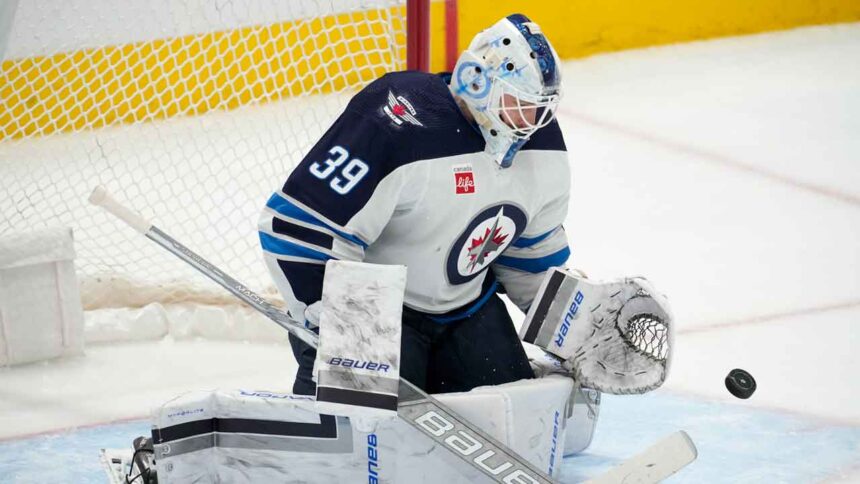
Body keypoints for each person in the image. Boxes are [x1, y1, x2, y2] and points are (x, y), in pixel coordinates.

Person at [259, 13, 570, 396]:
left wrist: (578, 331)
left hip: (467, 310)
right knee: (363, 439)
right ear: (477, 80)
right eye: (520, 104)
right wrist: (335, 315)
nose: (532, 122)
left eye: (541, 109)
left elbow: (531, 259)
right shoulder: (396, 118)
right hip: (377, 312)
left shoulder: (543, 147)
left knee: (516, 420)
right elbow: (297, 229)